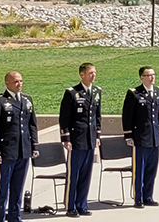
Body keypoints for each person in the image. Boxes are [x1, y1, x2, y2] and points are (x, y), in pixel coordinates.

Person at [0, 71, 40, 222]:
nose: (19, 84)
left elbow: (32, 125)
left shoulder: (27, 100)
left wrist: (34, 145)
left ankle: (14, 216)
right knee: (3, 188)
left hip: (23, 150)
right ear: (7, 83)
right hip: (6, 152)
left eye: (21, 81)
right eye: (16, 81)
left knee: (18, 187)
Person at [59, 63, 102, 217]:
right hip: (76, 140)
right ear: (82, 75)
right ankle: (70, 206)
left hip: (90, 139)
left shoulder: (96, 92)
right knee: (74, 174)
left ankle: (82, 204)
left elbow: (97, 116)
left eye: (95, 72)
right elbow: (64, 118)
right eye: (90, 73)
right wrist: (66, 138)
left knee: (86, 174)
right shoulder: (72, 93)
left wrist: (97, 136)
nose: (93, 75)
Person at [122, 66, 159, 208]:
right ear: (142, 77)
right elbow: (127, 116)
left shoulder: (158, 92)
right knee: (139, 169)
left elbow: (158, 114)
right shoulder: (134, 93)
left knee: (152, 169)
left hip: (154, 137)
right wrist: (128, 135)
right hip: (140, 137)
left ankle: (148, 196)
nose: (152, 77)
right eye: (149, 75)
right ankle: (138, 198)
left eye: (153, 75)